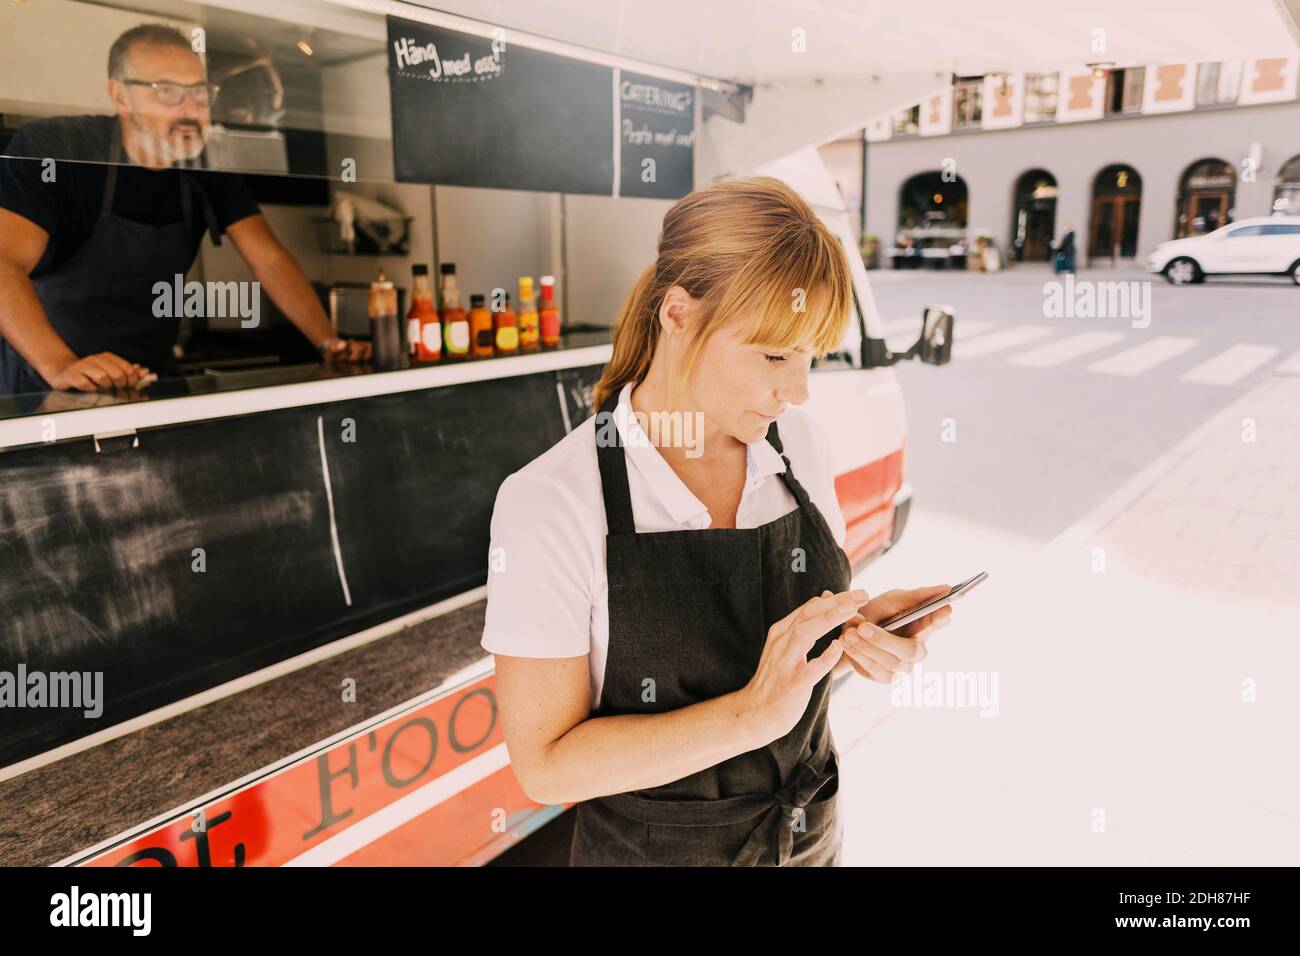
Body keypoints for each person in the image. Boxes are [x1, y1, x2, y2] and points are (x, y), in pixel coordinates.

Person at [480, 177, 955, 867]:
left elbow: (784, 648)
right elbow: (547, 766)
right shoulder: (552, 502)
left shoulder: (801, 446)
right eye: (773, 355)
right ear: (677, 313)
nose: (797, 390)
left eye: (810, 356)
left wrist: (855, 633)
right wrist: (747, 717)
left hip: (810, 841)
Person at [0, 23, 368, 394]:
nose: (191, 109)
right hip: (45, 387)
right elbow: (3, 261)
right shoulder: (57, 149)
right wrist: (61, 365)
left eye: (200, 93)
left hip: (147, 384)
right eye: (168, 92)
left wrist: (329, 344)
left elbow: (268, 259)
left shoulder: (206, 167)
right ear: (121, 96)